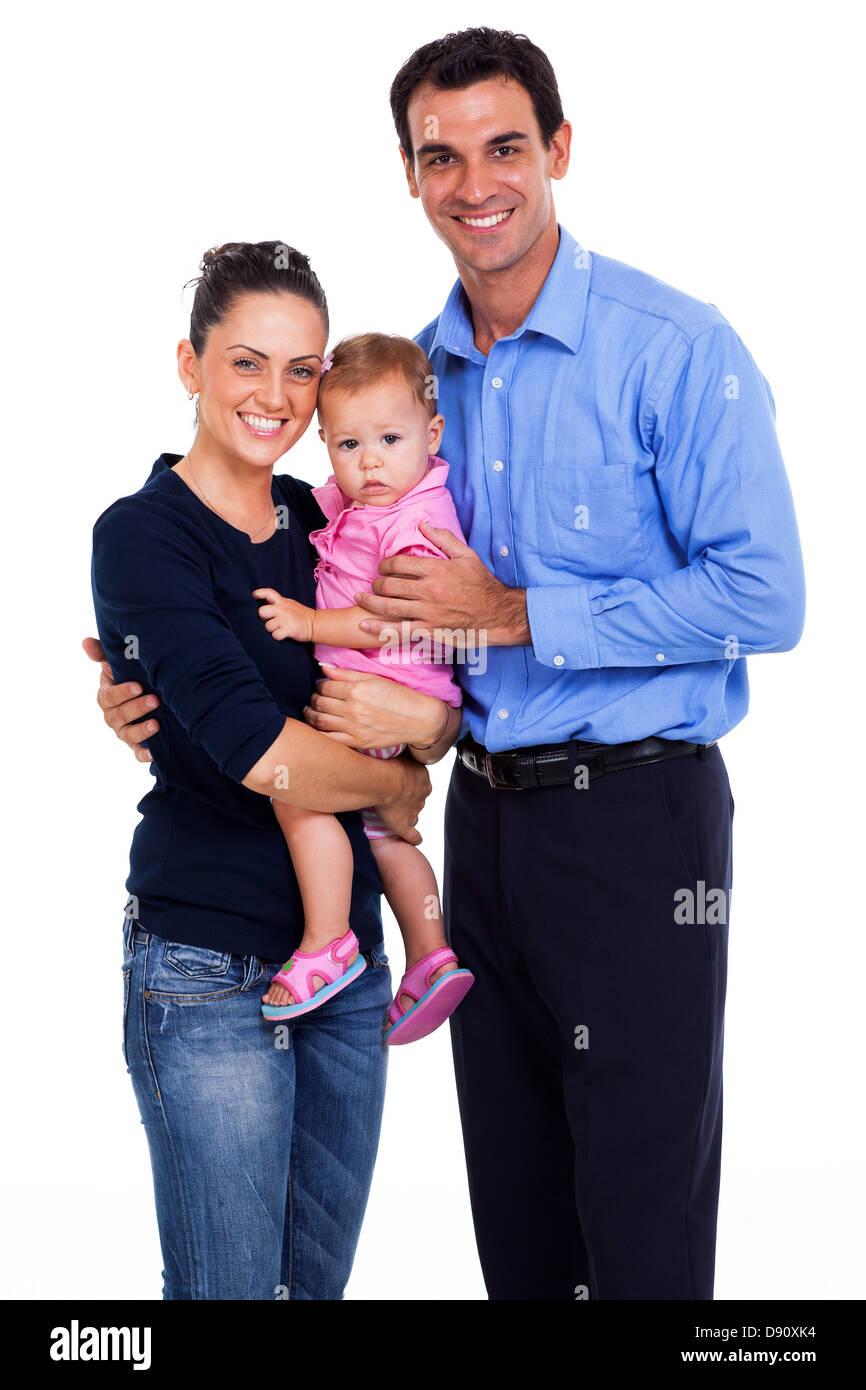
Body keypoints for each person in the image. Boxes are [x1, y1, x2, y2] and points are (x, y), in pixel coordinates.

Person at [88, 27, 806, 1301]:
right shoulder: (411, 380)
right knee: (519, 1229)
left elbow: (765, 593)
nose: (475, 181)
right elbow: (293, 599)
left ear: (559, 151)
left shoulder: (674, 346)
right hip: (476, 822)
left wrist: (517, 612)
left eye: (504, 146)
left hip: (637, 821)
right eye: (440, 154)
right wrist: (153, 693)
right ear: (410, 175)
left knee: (641, 1231)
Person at [88, 240, 454, 1300]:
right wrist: (391, 785)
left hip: (341, 967)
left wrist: (423, 726)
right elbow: (259, 753)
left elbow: (419, 659)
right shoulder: (143, 536)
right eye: (247, 362)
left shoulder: (321, 515)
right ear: (189, 364)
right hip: (207, 967)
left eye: (302, 370)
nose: (276, 396)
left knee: (310, 1292)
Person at [254, 332, 474, 1043]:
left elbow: (388, 623)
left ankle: (328, 940)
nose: (370, 461)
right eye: (347, 445)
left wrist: (307, 620)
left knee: (299, 792)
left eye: (388, 438)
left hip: (383, 690)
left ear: (431, 433)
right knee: (385, 833)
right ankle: (431, 955)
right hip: (384, 699)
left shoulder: (418, 519)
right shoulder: (359, 502)